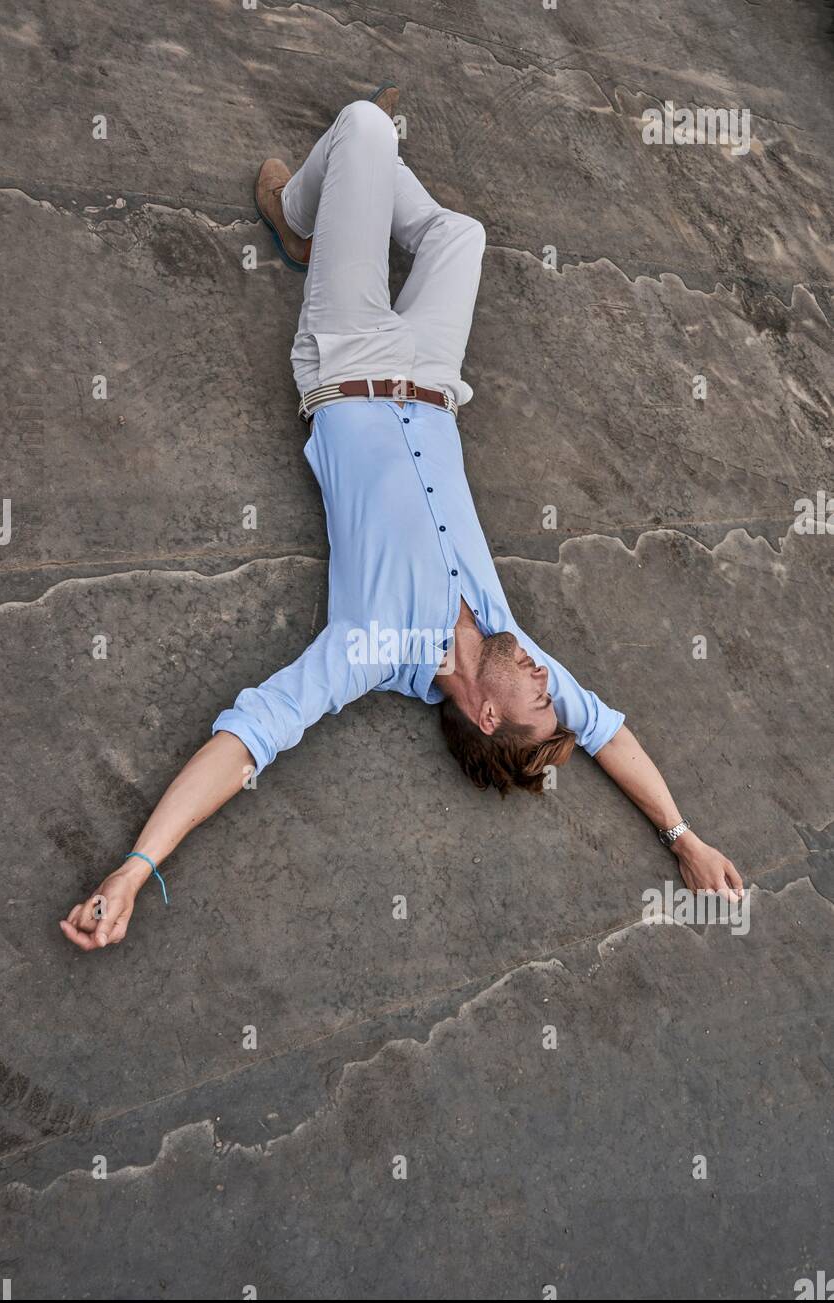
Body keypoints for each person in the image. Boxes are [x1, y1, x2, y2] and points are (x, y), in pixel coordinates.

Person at [60, 87, 742, 951]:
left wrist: (134, 868)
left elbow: (251, 737)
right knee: (461, 235)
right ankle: (352, 184)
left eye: (534, 694)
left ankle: (299, 209)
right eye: (547, 683)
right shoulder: (506, 641)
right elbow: (609, 736)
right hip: (429, 377)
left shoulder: (372, 649)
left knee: (365, 124)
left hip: (343, 359)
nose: (544, 673)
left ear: (487, 717)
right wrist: (684, 838)